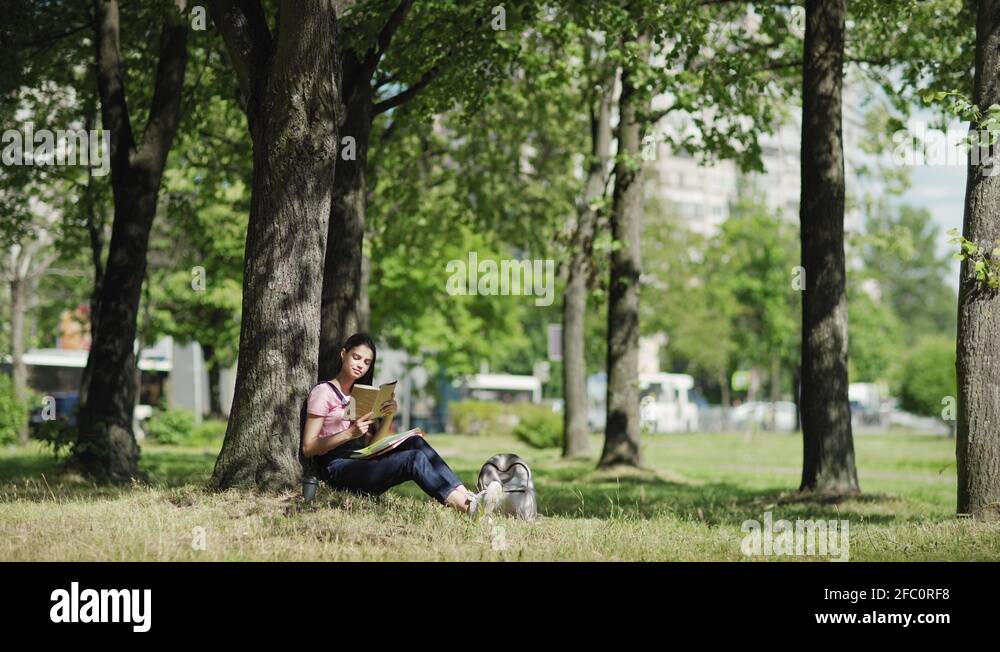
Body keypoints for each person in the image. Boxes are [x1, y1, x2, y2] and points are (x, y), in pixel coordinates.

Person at [301, 333, 502, 518]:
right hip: (337, 469)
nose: (361, 365)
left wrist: (389, 416)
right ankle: (468, 508)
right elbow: (308, 448)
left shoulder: (360, 394)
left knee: (415, 441)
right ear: (343, 353)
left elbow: (371, 445)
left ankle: (469, 497)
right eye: (356, 357)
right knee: (413, 459)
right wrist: (349, 433)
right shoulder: (323, 392)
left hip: (361, 459)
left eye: (367, 362)